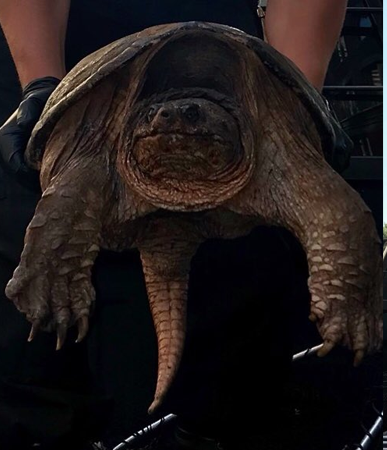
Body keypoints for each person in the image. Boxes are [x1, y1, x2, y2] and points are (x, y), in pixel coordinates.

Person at [0, 1, 348, 449]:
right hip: (70, 66)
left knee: (235, 352)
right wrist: (42, 85)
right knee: (36, 320)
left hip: (226, 74)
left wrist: (297, 99)